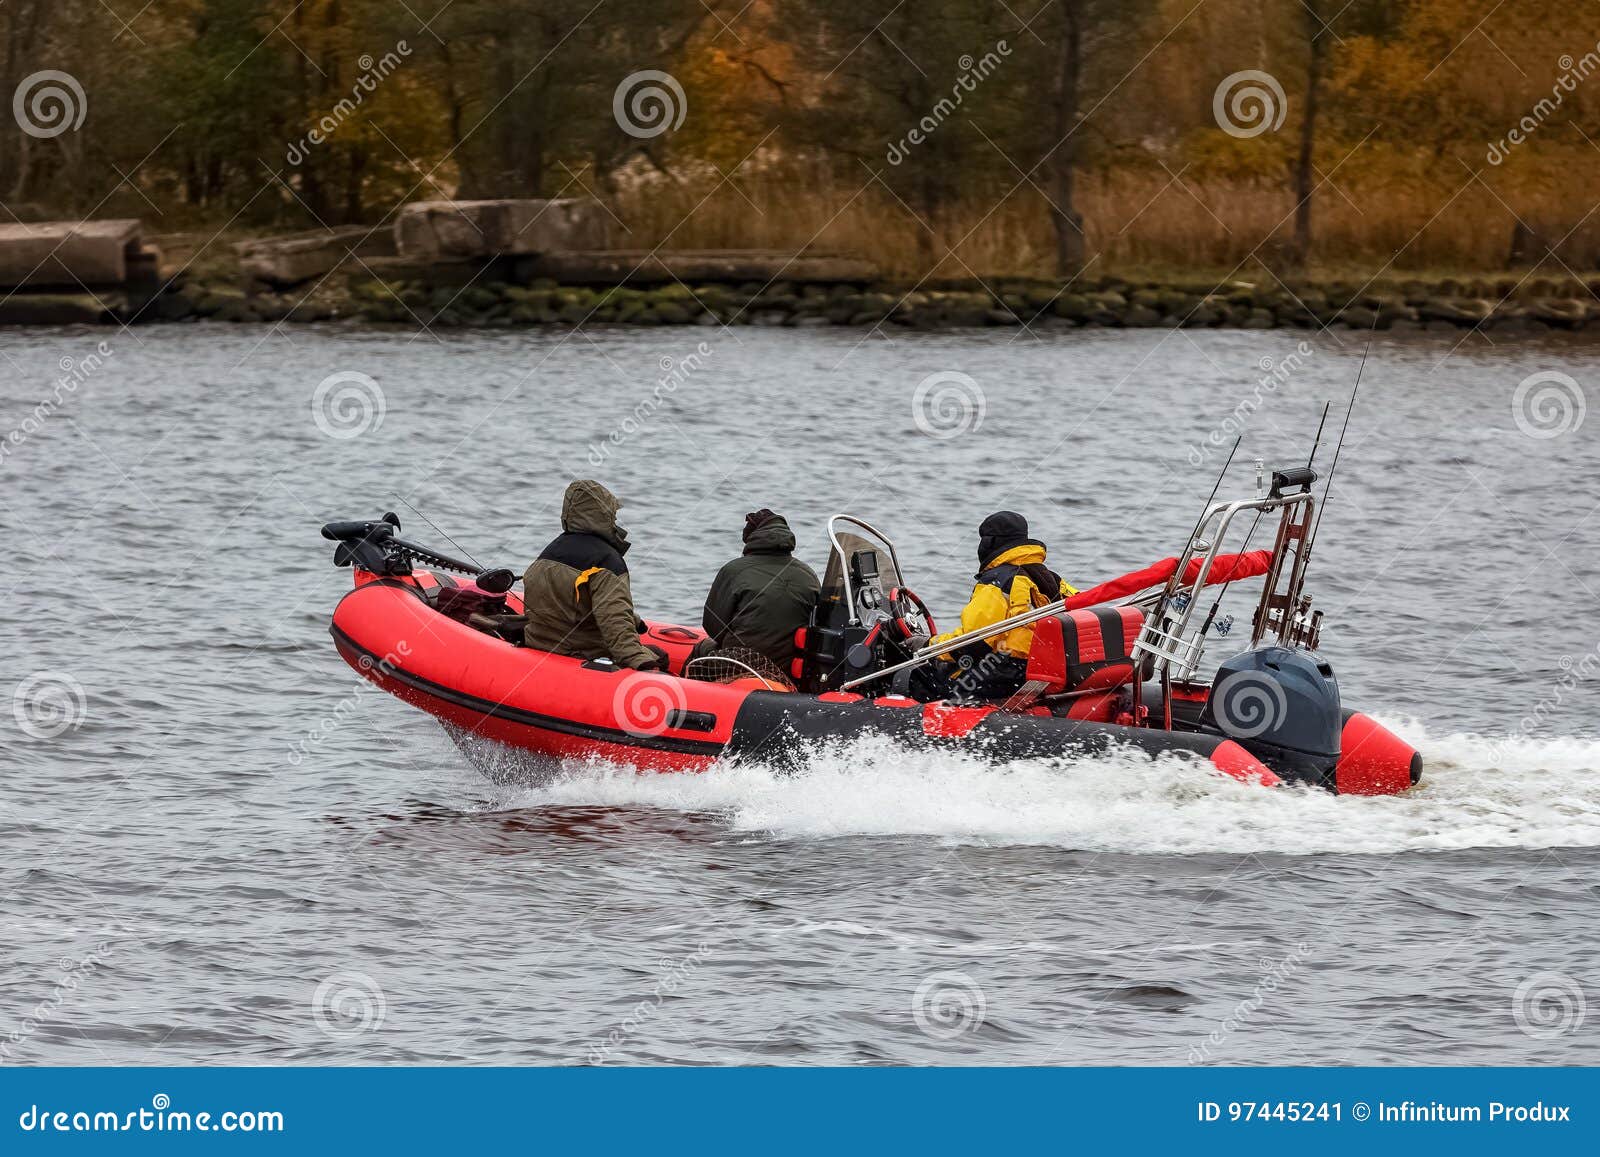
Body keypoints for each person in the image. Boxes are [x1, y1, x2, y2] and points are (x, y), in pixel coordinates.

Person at [929, 510, 1077, 699]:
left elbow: (974, 642)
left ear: (989, 543)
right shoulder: (1053, 579)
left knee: (924, 679)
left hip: (1005, 671)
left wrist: (931, 645)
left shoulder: (997, 580)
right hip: (1046, 668)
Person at [523, 480, 663, 670]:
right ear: (603, 515)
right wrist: (642, 662)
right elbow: (615, 623)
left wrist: (633, 620)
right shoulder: (606, 562)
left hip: (538, 645)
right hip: (580, 653)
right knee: (660, 656)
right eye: (612, 514)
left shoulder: (548, 553)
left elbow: (571, 606)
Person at [697, 509, 820, 673]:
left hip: (738, 664)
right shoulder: (808, 574)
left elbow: (713, 625)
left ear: (751, 538)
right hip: (786, 670)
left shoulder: (733, 570)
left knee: (701, 648)